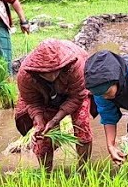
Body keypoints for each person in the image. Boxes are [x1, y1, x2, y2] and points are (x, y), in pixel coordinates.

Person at [15, 39, 93, 172]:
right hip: (45, 100)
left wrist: (56, 119)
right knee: (43, 136)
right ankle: (46, 174)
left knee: (82, 126)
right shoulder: (25, 75)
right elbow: (32, 102)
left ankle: (83, 169)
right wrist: (39, 121)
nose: (51, 75)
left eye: (55, 70)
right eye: (45, 72)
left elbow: (78, 95)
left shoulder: (76, 65)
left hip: (74, 95)